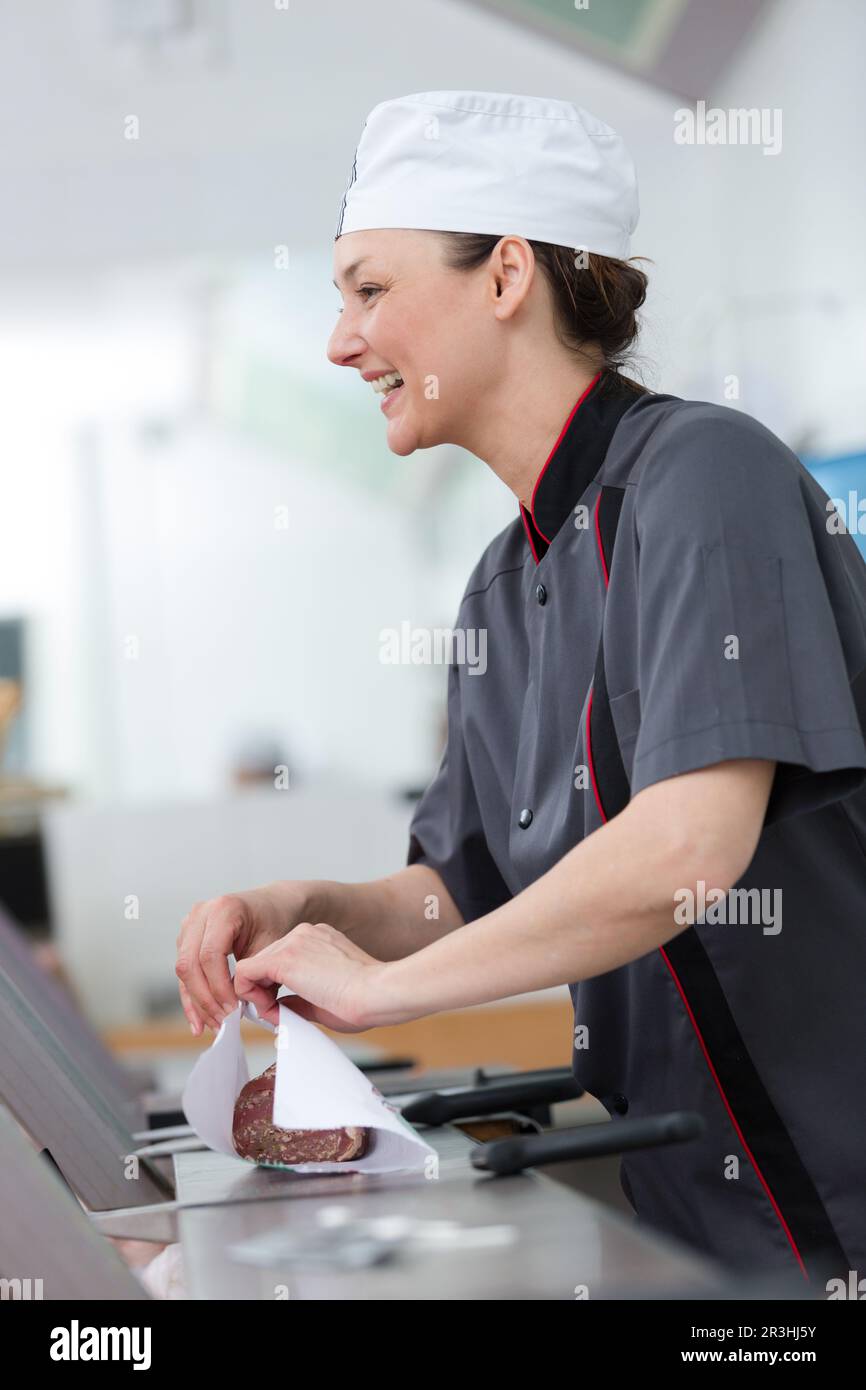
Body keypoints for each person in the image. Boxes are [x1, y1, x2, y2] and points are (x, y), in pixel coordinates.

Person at [176, 91, 866, 1284]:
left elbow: (683, 852)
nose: (339, 342)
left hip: (834, 1204)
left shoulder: (704, 475)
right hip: (690, 1221)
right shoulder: (503, 584)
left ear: (505, 276)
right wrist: (313, 910)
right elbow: (465, 884)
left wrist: (385, 989)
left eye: (369, 290)